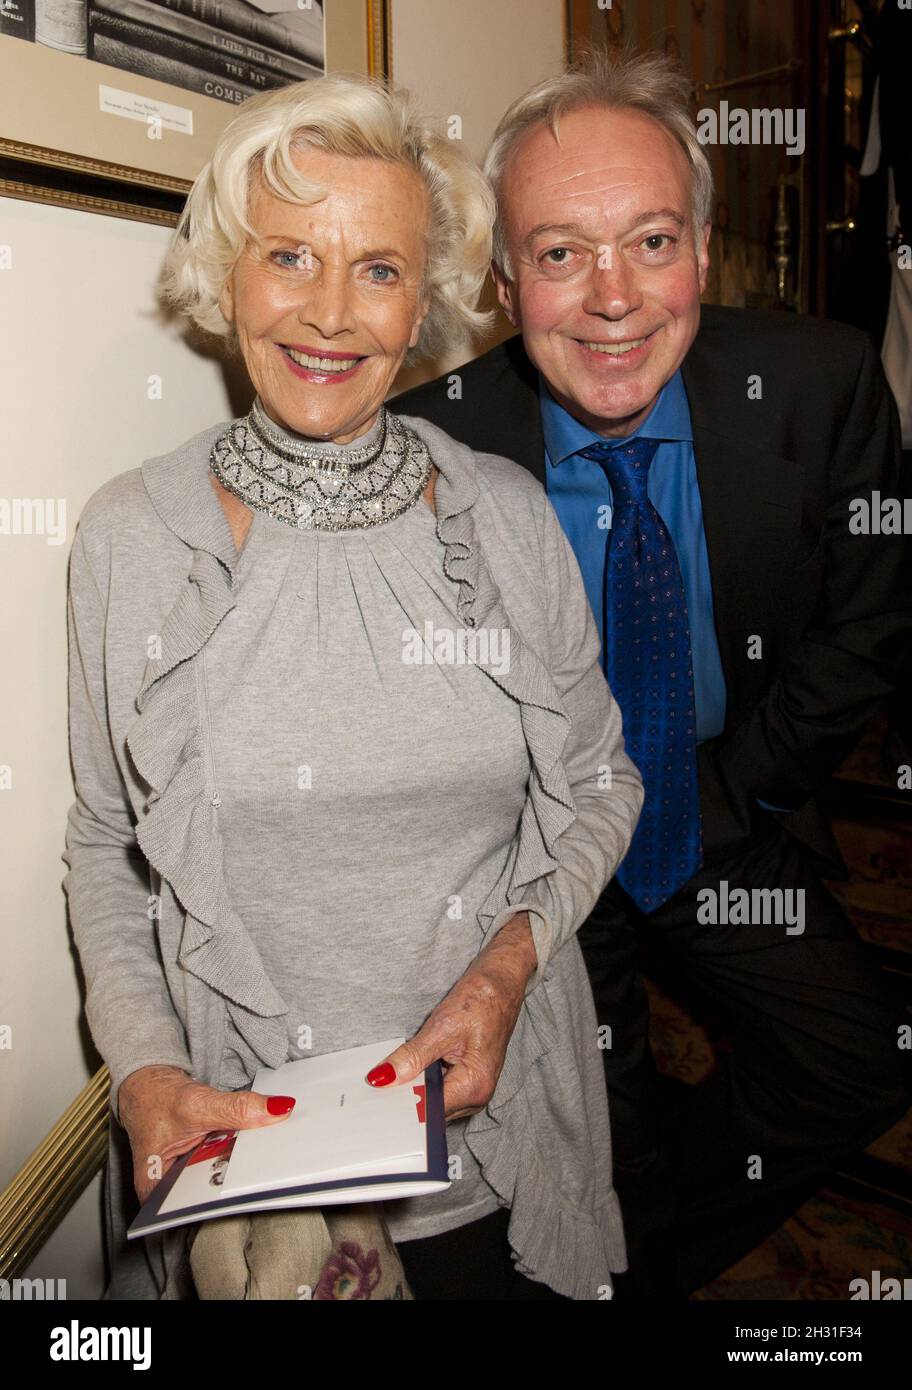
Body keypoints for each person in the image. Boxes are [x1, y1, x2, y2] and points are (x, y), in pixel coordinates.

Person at [61, 71, 644, 1301]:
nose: (331, 313)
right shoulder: (132, 538)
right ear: (228, 276)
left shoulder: (505, 518)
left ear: (422, 304)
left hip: (496, 1145)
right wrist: (145, 1068)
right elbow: (109, 840)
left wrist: (506, 971)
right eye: (290, 255)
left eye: (378, 269)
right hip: (252, 1175)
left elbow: (602, 779)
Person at [391, 48, 912, 1297]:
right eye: (562, 253)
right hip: (539, 852)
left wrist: (734, 799)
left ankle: (645, 1240)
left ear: (706, 245)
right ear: (507, 281)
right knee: (582, 1145)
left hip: (719, 796)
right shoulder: (438, 441)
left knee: (857, 1061)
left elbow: (868, 625)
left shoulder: (821, 383)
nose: (614, 297)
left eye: (652, 241)